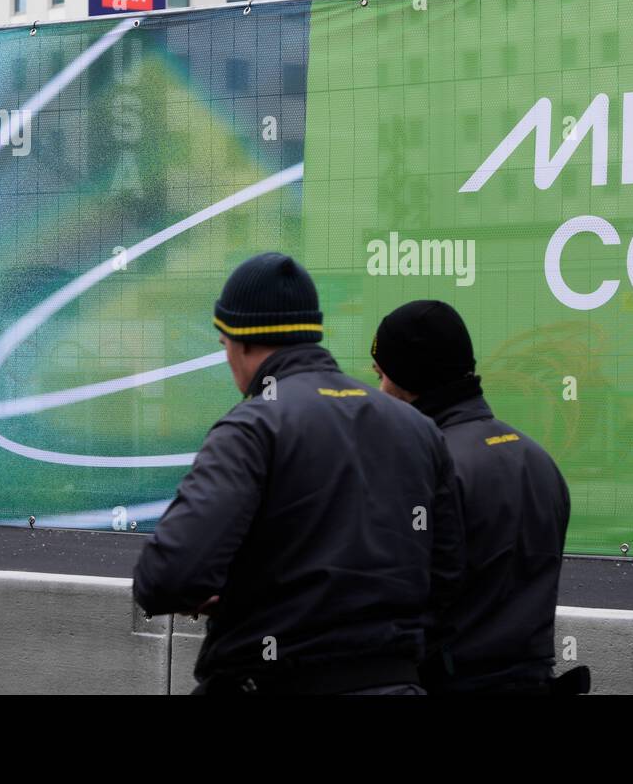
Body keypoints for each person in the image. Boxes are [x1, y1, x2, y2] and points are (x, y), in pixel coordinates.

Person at [134, 253, 464, 695]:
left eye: (224, 344)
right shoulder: (418, 429)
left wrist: (232, 594)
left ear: (243, 342)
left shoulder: (252, 428)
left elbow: (167, 578)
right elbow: (445, 576)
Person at [372, 300, 574, 695]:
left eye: (382, 375)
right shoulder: (538, 459)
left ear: (409, 378)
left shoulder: (425, 467)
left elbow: (400, 603)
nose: (379, 391)